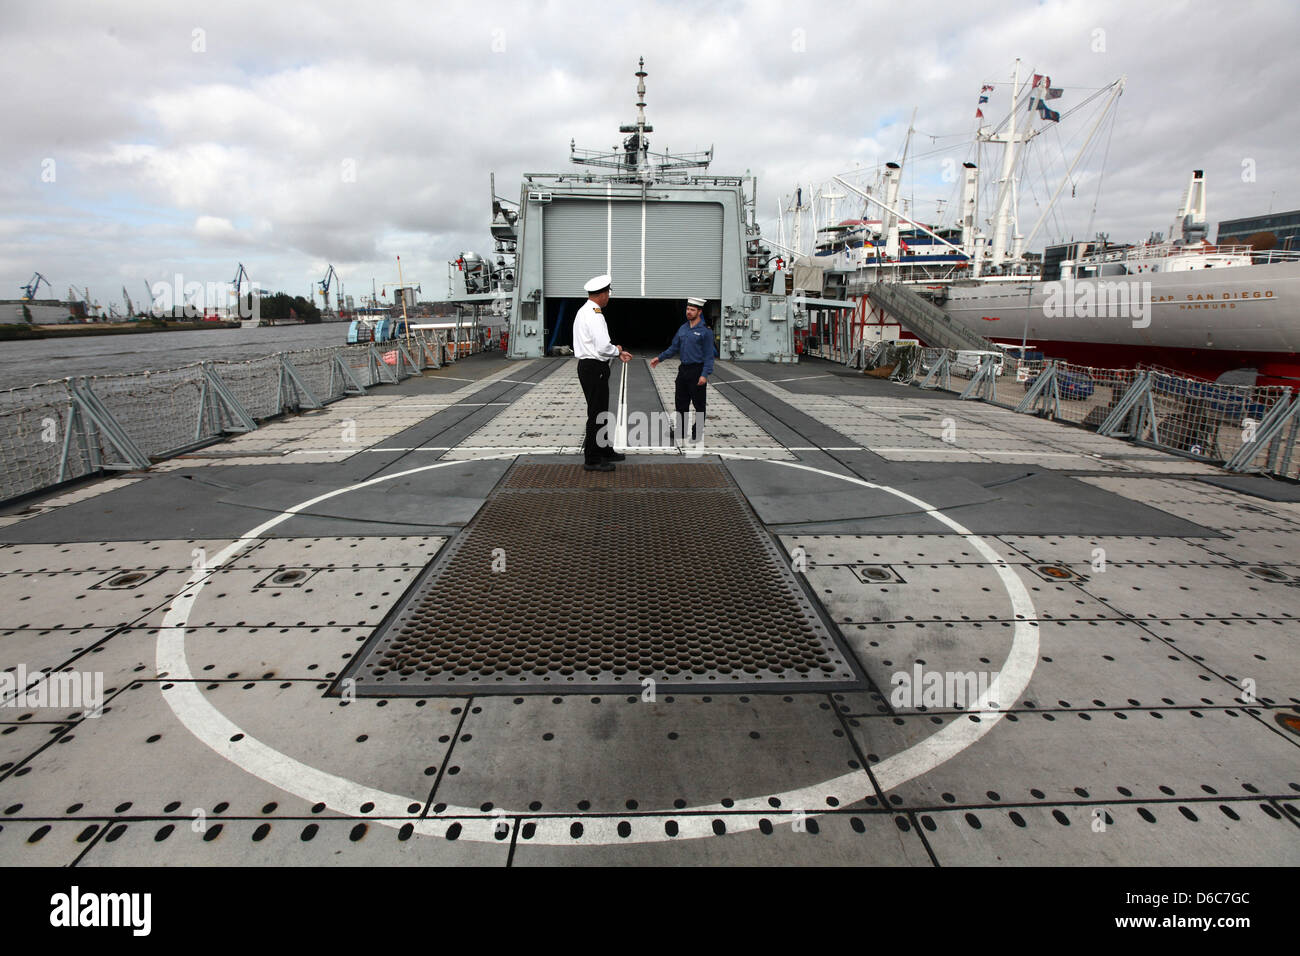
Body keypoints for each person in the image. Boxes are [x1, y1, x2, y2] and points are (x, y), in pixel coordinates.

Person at [573, 274, 631, 471]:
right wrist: (618, 350)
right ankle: (593, 459)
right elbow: (602, 347)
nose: (609, 297)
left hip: (587, 367)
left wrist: (614, 352)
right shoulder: (596, 314)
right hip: (594, 367)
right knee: (597, 413)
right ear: (603, 294)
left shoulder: (583, 311)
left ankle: (605, 449)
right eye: (608, 293)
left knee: (601, 412)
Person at [650, 297, 715, 443]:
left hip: (697, 370)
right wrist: (659, 358)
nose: (689, 312)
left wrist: (705, 374)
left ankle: (697, 432)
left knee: (699, 404)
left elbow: (709, 356)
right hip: (683, 370)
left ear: (699, 312)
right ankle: (680, 430)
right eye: (687, 309)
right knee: (681, 402)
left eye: (692, 310)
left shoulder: (706, 332)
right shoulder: (683, 328)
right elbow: (674, 348)